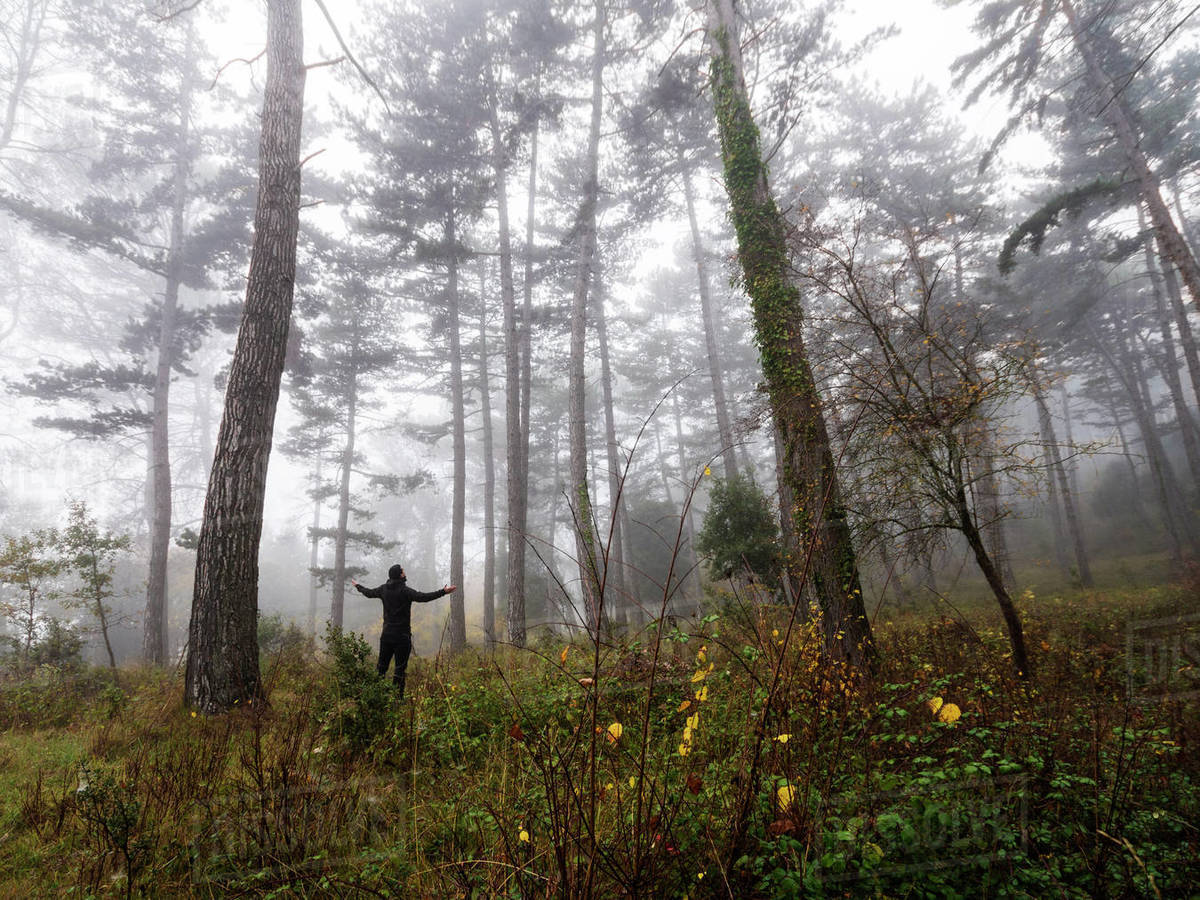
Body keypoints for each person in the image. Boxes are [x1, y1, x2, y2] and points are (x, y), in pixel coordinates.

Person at [351, 564, 456, 698]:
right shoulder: (405, 591)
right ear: (400, 575)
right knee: (399, 670)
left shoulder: (383, 589)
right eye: (403, 571)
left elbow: (369, 593)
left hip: (387, 636)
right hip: (402, 637)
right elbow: (423, 597)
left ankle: (375, 699)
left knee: (381, 668)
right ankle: (397, 700)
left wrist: (358, 586)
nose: (404, 572)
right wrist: (443, 592)